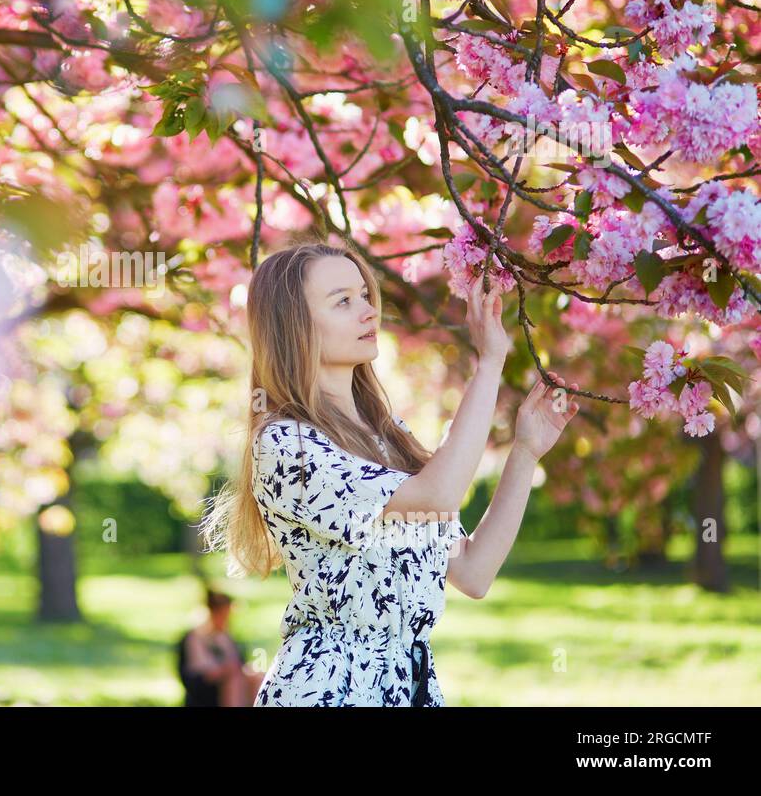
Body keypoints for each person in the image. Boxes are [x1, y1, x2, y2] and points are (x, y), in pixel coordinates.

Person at [198, 241, 578, 706]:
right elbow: (439, 494)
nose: (368, 312)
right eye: (342, 301)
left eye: (364, 295)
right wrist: (490, 363)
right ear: (295, 326)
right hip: (330, 690)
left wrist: (525, 452)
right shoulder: (286, 445)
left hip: (407, 687)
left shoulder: (386, 436)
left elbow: (473, 572)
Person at [177, 588, 263, 706]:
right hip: (207, 688)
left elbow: (239, 662)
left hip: (231, 679)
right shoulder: (195, 637)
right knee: (234, 680)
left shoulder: (225, 636)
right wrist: (224, 670)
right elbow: (198, 672)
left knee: (257, 677)